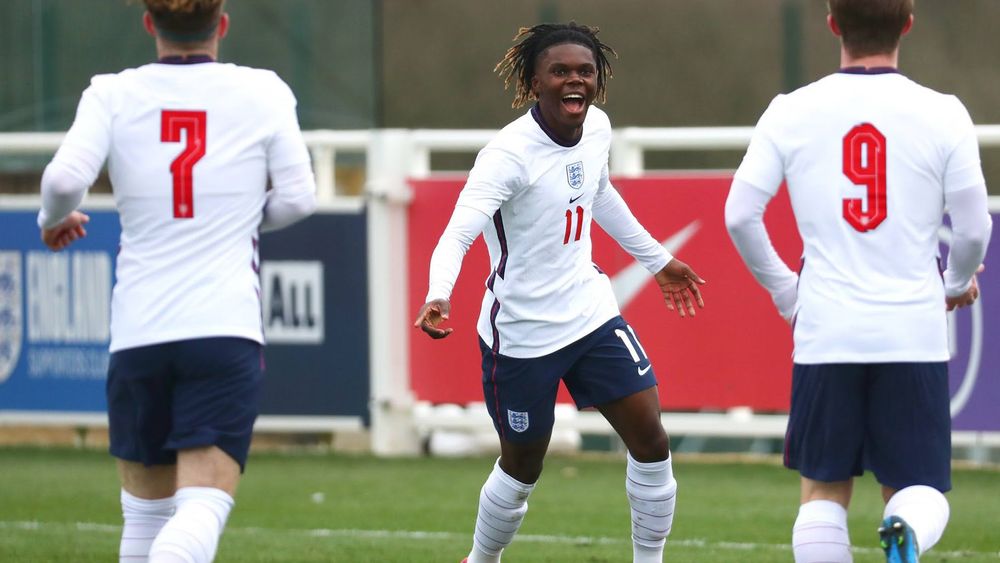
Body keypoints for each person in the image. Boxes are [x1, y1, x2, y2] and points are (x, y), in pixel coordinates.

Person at [413, 22, 706, 563]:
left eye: (585, 71)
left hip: (591, 313)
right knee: (523, 465)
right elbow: (458, 232)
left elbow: (600, 193)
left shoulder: (597, 127)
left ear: (599, 79)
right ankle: (481, 559)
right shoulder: (507, 156)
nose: (575, 82)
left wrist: (657, 260)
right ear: (533, 82)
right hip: (521, 333)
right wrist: (439, 293)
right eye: (561, 72)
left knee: (651, 439)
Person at [38, 1, 317, 561]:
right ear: (223, 23)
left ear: (149, 25)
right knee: (201, 506)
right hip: (223, 328)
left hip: (139, 332)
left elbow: (65, 178)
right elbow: (299, 198)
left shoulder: (111, 93)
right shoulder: (263, 90)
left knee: (144, 516)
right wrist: (236, 214)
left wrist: (51, 221)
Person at [724, 1, 992, 562]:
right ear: (908, 25)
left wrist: (787, 294)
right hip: (911, 332)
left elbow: (740, 215)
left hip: (826, 331)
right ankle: (906, 533)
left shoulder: (791, 110)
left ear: (833, 24)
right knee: (917, 490)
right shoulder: (944, 112)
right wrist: (953, 284)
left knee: (823, 491)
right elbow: (972, 228)